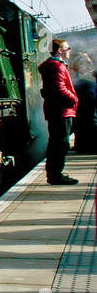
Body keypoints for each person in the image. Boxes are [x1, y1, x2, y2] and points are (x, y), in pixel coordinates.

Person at [39, 39, 79, 184]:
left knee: (56, 142)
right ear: (60, 51)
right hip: (61, 110)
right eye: (68, 48)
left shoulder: (51, 66)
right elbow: (59, 88)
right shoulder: (58, 67)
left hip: (55, 109)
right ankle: (56, 175)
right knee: (60, 143)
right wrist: (73, 99)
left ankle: (54, 173)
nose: (70, 51)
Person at [72, 52, 97, 154]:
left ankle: (84, 145)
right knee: (84, 124)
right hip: (84, 104)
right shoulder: (79, 76)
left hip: (89, 103)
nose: (85, 64)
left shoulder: (90, 74)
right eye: (82, 62)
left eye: (86, 61)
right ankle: (84, 145)